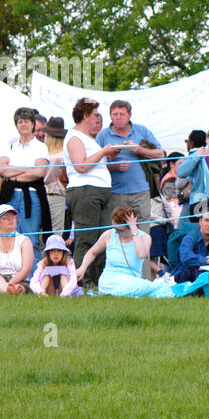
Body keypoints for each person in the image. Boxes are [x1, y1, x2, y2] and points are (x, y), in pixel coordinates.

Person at [64, 97, 123, 287]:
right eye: (96, 115)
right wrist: (104, 152)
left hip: (99, 192)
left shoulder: (90, 139)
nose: (99, 119)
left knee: (104, 238)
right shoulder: (74, 137)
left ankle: (97, 282)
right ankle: (80, 283)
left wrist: (108, 154)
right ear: (85, 116)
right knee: (86, 238)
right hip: (85, 191)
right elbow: (81, 166)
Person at [75, 206, 174, 298]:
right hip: (109, 281)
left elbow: (142, 254)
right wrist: (82, 268)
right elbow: (92, 252)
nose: (116, 232)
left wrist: (134, 228)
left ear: (131, 227)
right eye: (115, 228)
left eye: (120, 230)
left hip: (132, 281)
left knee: (146, 287)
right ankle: (161, 288)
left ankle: (152, 291)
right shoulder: (109, 235)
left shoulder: (144, 237)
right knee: (156, 288)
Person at [96, 99, 164, 223]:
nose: (118, 118)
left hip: (141, 191)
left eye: (122, 114)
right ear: (110, 116)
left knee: (143, 229)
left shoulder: (141, 131)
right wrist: (114, 166)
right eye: (115, 114)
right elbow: (95, 165)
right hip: (115, 192)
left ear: (129, 116)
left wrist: (139, 150)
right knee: (118, 230)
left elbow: (161, 154)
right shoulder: (103, 136)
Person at [0, 107, 50, 248]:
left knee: (30, 240)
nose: (24, 124)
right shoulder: (10, 147)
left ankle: (32, 270)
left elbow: (39, 172)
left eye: (26, 121)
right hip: (10, 196)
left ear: (32, 124)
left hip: (31, 197)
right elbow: (2, 169)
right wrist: (27, 169)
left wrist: (14, 174)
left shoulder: (41, 147)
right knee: (8, 239)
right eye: (20, 122)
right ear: (16, 125)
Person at [42, 117, 68, 235]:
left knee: (41, 230)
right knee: (56, 232)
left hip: (42, 192)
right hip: (57, 193)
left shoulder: (44, 153)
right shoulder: (63, 155)